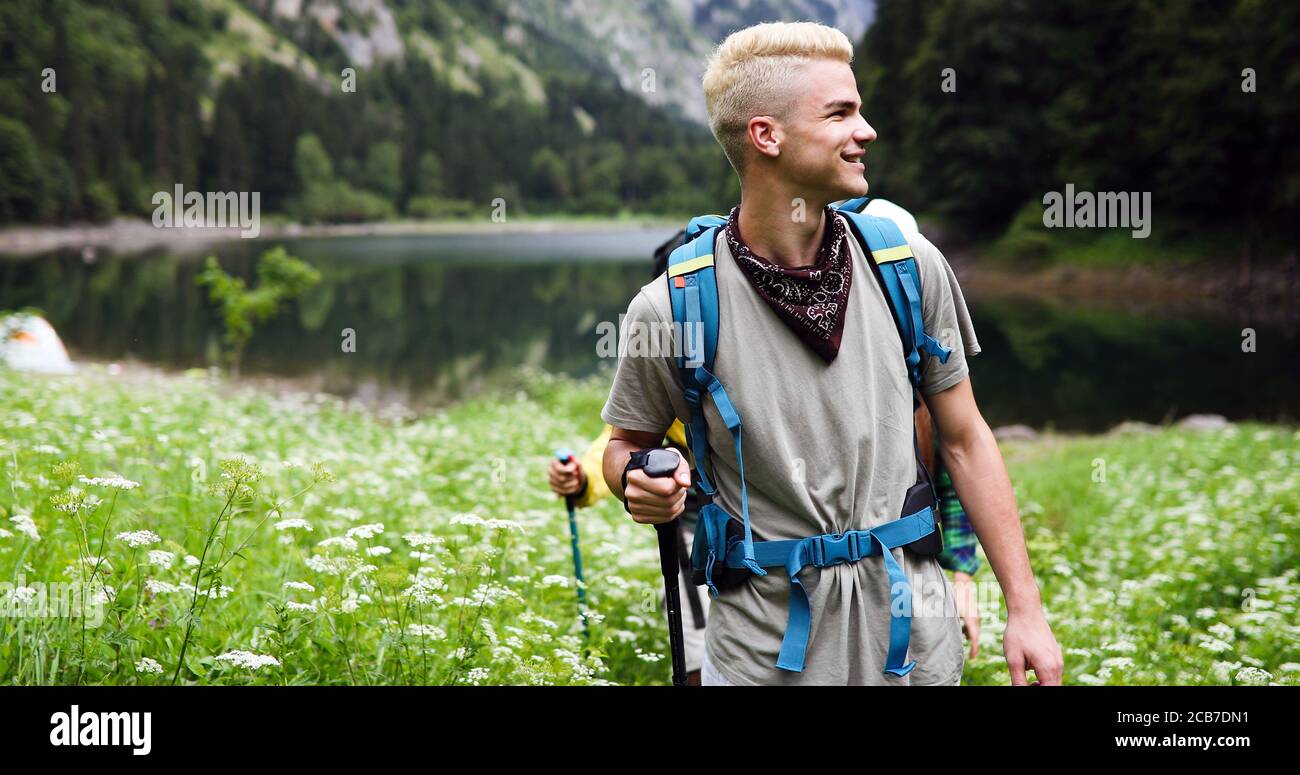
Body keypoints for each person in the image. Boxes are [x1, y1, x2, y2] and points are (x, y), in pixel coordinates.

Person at [599, 21, 1062, 685]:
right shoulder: (671, 306)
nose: (866, 130)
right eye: (841, 112)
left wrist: (1026, 607)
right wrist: (635, 480)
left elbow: (964, 439)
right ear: (767, 136)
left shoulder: (908, 264)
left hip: (916, 648)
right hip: (762, 658)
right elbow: (624, 446)